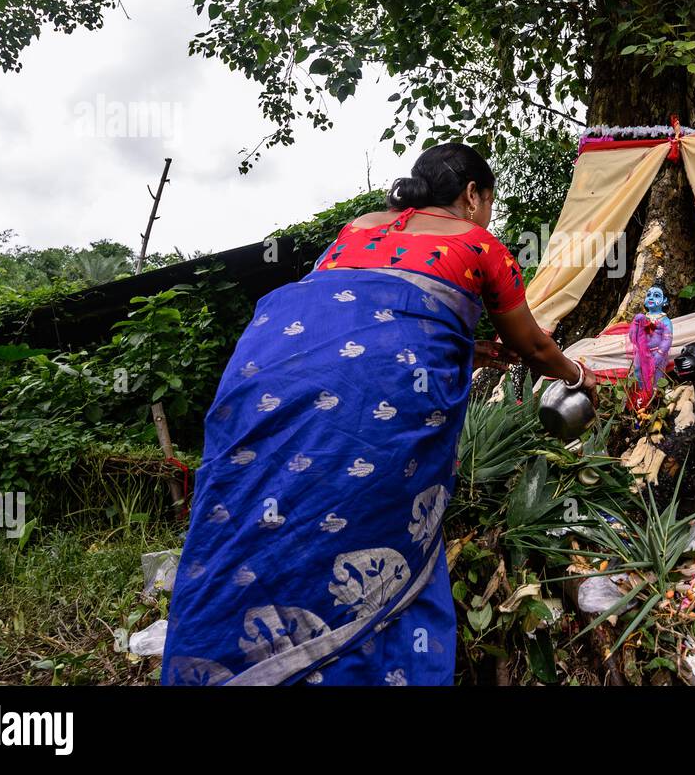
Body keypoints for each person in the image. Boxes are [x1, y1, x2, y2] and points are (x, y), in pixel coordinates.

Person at [161, 142, 595, 686]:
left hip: (264, 368)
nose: (488, 212)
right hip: (371, 395)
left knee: (258, 509)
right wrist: (577, 376)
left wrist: (464, 344)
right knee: (366, 516)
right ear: (472, 194)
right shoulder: (480, 243)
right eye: (489, 200)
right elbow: (532, 346)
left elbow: (356, 311)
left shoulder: (358, 226)